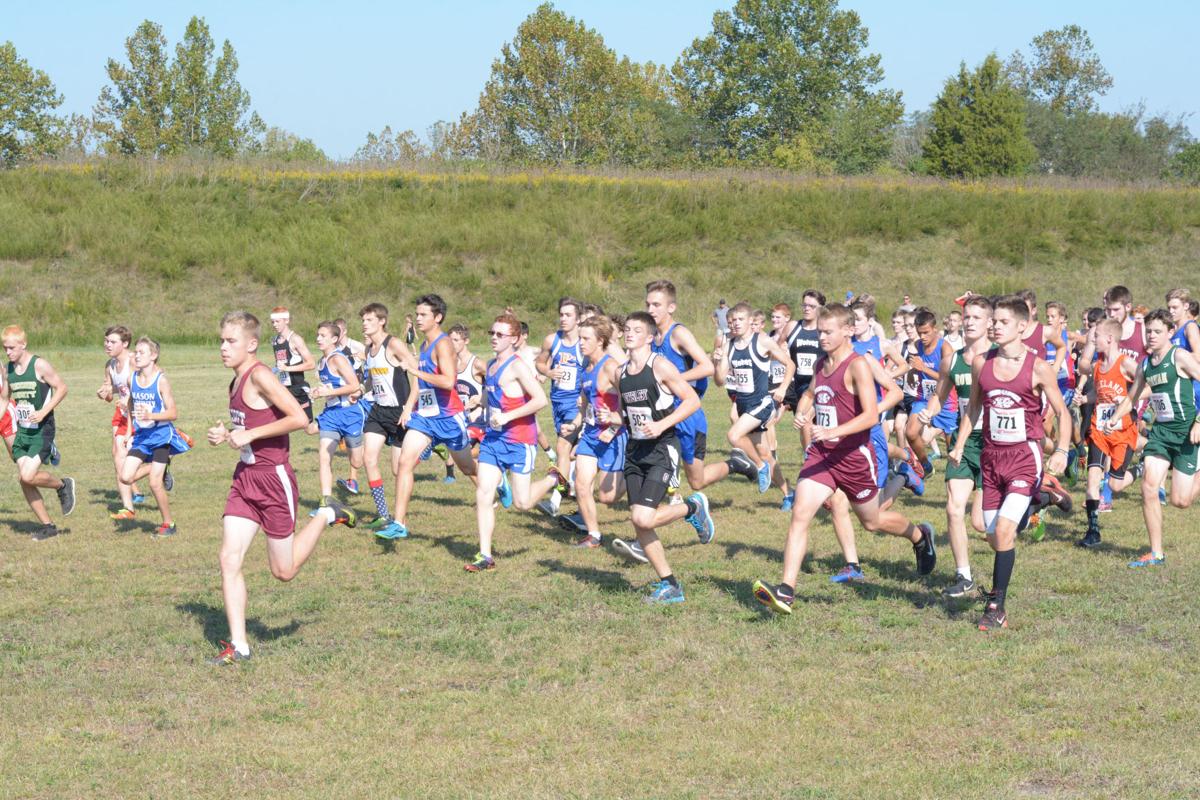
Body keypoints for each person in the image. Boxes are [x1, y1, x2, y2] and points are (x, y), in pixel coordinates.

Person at [752, 305, 936, 614]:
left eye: (827, 332)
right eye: (819, 331)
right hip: (824, 455)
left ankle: (920, 536)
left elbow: (870, 415)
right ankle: (786, 591)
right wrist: (803, 411)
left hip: (854, 457)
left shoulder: (858, 366)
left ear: (847, 331)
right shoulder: (823, 364)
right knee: (800, 513)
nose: (821, 337)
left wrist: (834, 429)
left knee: (872, 521)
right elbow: (811, 393)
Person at [208, 311, 356, 665]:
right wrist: (228, 435)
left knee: (283, 572)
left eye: (231, 341)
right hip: (245, 479)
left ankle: (325, 513)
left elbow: (299, 419)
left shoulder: (259, 375)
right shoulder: (236, 380)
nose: (224, 348)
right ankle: (239, 645)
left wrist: (250, 434)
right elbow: (251, 425)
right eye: (222, 341)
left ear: (251, 344)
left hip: (274, 481)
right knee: (229, 559)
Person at [950, 296, 1071, 631]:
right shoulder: (981, 363)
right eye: (994, 322)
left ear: (1021, 326)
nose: (994, 327)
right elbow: (973, 407)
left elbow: (1062, 412)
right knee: (993, 536)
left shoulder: (1038, 367)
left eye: (1002, 322)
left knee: (1004, 531)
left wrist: (1061, 450)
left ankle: (995, 606)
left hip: (1023, 457)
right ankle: (1042, 497)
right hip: (991, 459)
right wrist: (959, 444)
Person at [606, 312, 714, 603]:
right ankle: (670, 585)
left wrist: (663, 424)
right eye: (627, 329)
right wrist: (614, 420)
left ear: (650, 337)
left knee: (643, 517)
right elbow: (630, 412)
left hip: (661, 449)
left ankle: (692, 507)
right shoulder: (620, 373)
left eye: (637, 330)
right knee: (640, 522)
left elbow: (691, 400)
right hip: (635, 450)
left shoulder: (661, 366)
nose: (629, 333)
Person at [466, 313, 564, 572]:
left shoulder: (518, 366)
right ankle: (485, 555)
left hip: (520, 441)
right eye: (492, 333)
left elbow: (539, 400)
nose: (494, 338)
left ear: (514, 338)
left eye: (500, 334)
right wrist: (478, 403)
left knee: (521, 503)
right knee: (483, 493)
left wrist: (507, 416)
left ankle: (554, 479)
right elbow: (495, 399)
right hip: (494, 440)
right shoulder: (491, 365)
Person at [1103, 309, 1200, 566]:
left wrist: (1199, 421)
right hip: (1160, 433)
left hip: (1186, 433)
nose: (1151, 336)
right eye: (1148, 331)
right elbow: (1133, 396)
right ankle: (1156, 553)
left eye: (1157, 331)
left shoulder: (1179, 356)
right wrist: (1115, 418)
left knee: (1181, 501)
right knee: (1149, 486)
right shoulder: (1146, 364)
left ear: (1170, 333)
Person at [646, 280, 757, 496]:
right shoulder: (652, 336)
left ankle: (736, 463)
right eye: (648, 304)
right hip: (663, 413)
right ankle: (662, 496)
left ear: (671, 307)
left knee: (697, 481)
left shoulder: (678, 334)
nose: (650, 310)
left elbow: (706, 367)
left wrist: (673, 380)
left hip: (688, 414)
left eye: (656, 305)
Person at [386, 294, 481, 540]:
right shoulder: (426, 345)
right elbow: (421, 382)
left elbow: (448, 381)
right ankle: (399, 523)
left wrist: (416, 370)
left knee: (467, 466)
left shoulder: (443, 344)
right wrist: (408, 407)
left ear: (437, 317)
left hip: (450, 417)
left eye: (423, 314)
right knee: (404, 462)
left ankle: (496, 485)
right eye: (417, 314)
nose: (418, 318)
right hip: (425, 417)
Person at [922, 296, 992, 596]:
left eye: (976, 317)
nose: (969, 322)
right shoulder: (952, 360)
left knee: (980, 523)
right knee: (953, 508)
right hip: (962, 444)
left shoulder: (998, 358)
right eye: (967, 316)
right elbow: (940, 394)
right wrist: (929, 411)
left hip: (994, 443)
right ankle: (964, 576)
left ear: (990, 322)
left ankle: (1035, 504)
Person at [560, 315, 627, 548]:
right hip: (590, 435)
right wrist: (576, 423)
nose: (580, 343)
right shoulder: (585, 367)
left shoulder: (610, 367)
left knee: (608, 497)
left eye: (585, 338)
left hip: (614, 435)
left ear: (600, 341)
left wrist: (616, 423)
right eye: (580, 338)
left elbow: (630, 399)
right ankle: (594, 535)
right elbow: (586, 404)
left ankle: (635, 472)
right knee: (581, 483)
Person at [3, 325, 75, 541]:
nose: (8, 352)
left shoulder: (39, 365)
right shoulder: (9, 368)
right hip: (23, 430)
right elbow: (5, 398)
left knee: (27, 475)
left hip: (42, 430)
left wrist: (44, 411)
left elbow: (62, 388)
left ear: (23, 345)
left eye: (11, 348)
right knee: (25, 481)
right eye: (5, 348)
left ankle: (63, 485)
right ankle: (48, 526)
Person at [714, 303, 793, 494]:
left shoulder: (762, 341)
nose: (735, 324)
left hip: (761, 403)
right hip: (743, 404)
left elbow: (790, 364)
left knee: (733, 435)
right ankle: (788, 493)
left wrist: (782, 388)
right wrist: (717, 362)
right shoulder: (728, 346)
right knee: (764, 453)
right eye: (732, 321)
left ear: (751, 321)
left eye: (740, 319)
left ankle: (759, 467)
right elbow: (719, 381)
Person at [1074, 318, 1139, 549]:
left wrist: (1130, 399)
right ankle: (1093, 530)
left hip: (1123, 432)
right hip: (1100, 430)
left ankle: (1140, 469)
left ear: (1109, 339)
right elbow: (1099, 394)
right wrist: (1086, 398)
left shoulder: (1126, 364)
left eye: (1097, 337)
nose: (1094, 340)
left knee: (1114, 486)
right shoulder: (1097, 365)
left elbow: (1146, 384)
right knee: (1092, 479)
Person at [117, 337, 190, 536]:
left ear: (153, 356)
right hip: (142, 437)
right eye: (136, 352)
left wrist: (152, 416)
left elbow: (173, 413)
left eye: (141, 352)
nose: (136, 355)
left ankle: (168, 524)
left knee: (154, 484)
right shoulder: (132, 378)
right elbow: (131, 404)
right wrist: (129, 430)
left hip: (160, 436)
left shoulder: (161, 381)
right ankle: (161, 465)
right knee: (125, 477)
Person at [359, 302, 412, 536]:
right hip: (378, 411)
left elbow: (417, 370)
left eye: (369, 320)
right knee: (368, 458)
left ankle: (401, 519)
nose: (364, 323)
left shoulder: (394, 344)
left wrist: (409, 408)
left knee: (398, 469)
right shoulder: (369, 349)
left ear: (381, 321)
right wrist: (360, 390)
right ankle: (383, 514)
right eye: (363, 320)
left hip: (399, 412)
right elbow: (372, 378)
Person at [308, 321, 366, 506]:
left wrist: (329, 392)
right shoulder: (323, 361)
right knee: (324, 456)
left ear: (334, 339)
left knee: (357, 462)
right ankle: (326, 503)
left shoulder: (337, 359)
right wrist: (318, 392)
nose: (318, 339)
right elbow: (331, 387)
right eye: (317, 335)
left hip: (350, 414)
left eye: (323, 336)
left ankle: (356, 468)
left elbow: (354, 385)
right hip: (331, 415)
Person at [535, 298, 585, 504]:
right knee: (570, 450)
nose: (563, 319)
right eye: (561, 314)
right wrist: (548, 371)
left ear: (579, 318)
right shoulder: (551, 340)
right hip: (557, 402)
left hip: (577, 403)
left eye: (568, 315)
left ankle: (556, 497)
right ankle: (572, 485)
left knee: (563, 447)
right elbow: (539, 362)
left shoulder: (584, 343)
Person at [98, 325, 143, 518]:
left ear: (124, 344)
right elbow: (112, 393)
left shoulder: (134, 360)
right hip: (124, 415)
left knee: (145, 454)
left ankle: (163, 462)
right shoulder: (110, 365)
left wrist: (130, 398)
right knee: (118, 455)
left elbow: (150, 384)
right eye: (106, 341)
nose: (108, 345)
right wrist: (105, 393)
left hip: (142, 414)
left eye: (112, 341)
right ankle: (128, 507)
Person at [335, 317, 367, 495]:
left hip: (365, 396)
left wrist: (365, 357)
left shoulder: (356, 346)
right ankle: (353, 480)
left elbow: (373, 360)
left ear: (344, 331)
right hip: (347, 397)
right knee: (352, 438)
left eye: (338, 331)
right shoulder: (334, 351)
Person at [269, 307, 317, 423]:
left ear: (286, 320)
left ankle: (337, 432)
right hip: (284, 388)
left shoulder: (295, 339)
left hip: (298, 388)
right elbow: (281, 363)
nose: (274, 325)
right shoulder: (274, 340)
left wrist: (287, 368)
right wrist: (273, 371)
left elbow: (311, 364)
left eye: (277, 321)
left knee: (308, 427)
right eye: (273, 322)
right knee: (277, 421)